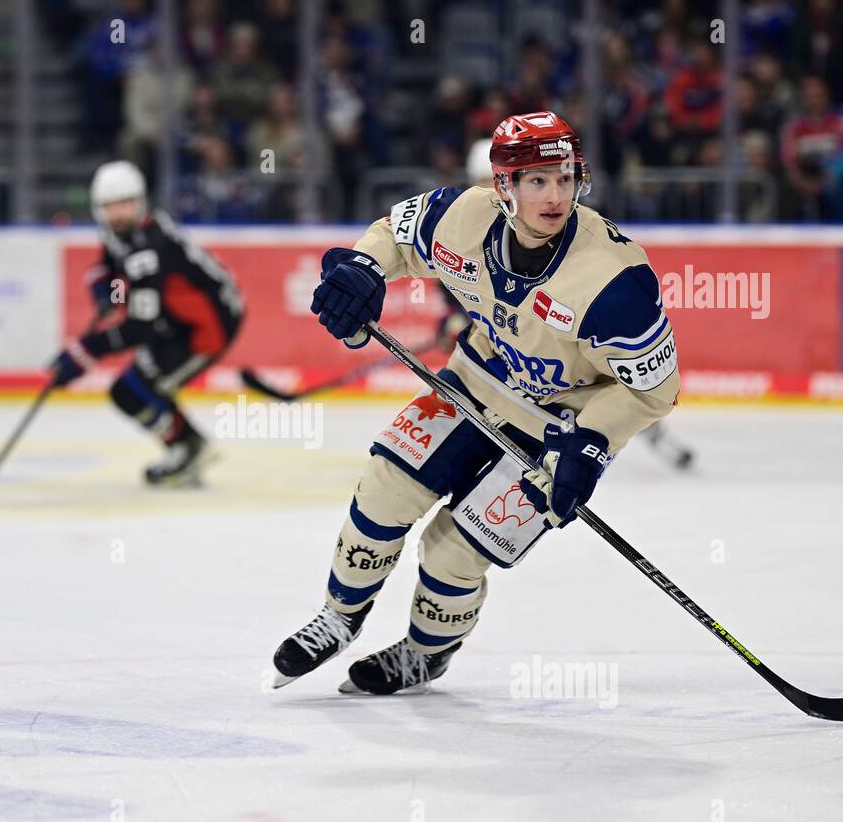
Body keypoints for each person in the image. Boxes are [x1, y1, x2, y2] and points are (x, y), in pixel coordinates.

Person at [271, 112, 680, 694]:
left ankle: (425, 652)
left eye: (565, 178)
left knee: (453, 554)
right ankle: (340, 615)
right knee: (387, 485)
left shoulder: (615, 280)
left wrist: (592, 443)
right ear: (503, 186)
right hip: (474, 382)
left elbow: (656, 387)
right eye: (537, 180)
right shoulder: (463, 215)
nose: (555, 195)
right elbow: (393, 235)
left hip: (557, 429)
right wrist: (363, 269)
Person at [49, 161, 244, 486]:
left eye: (126, 203)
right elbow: (111, 263)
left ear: (140, 201)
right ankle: (188, 446)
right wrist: (104, 285)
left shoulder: (149, 250)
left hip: (205, 330)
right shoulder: (124, 232)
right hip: (176, 321)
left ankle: (188, 448)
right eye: (111, 207)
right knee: (129, 391)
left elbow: (142, 327)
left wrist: (85, 351)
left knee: (136, 390)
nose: (120, 213)